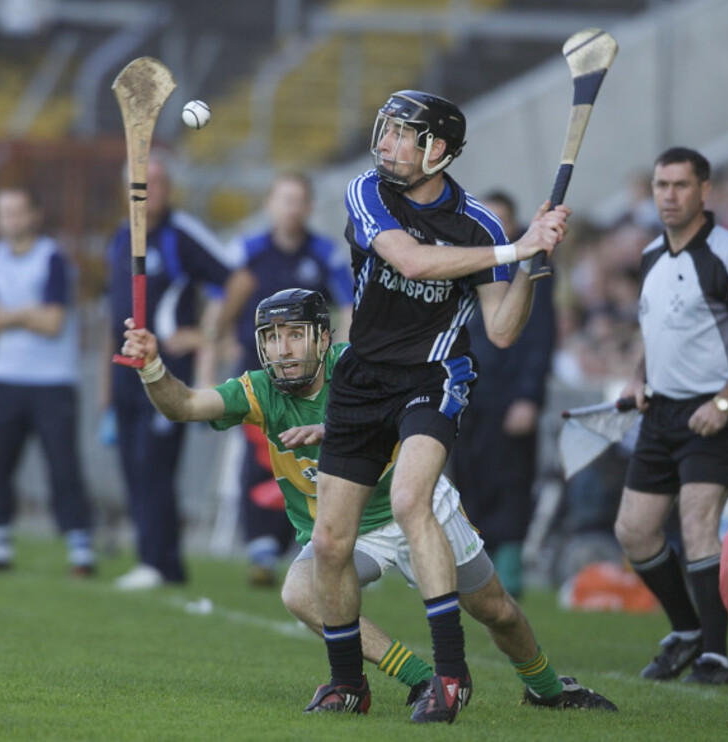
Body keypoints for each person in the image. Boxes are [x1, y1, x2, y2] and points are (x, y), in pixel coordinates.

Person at [118, 287, 616, 716]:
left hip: (413, 504)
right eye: (271, 338)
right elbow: (183, 404)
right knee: (299, 592)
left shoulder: (361, 367)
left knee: (495, 610)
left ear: (321, 336)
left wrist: (336, 430)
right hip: (347, 528)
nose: (283, 349)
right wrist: (153, 366)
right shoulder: (259, 389)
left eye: (294, 334)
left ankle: (548, 688)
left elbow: (414, 416)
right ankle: (420, 678)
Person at [310, 89, 570, 723]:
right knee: (330, 542)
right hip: (362, 378)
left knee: (408, 499)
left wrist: (535, 265)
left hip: (434, 377)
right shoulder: (367, 193)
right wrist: (516, 248)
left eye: (403, 135)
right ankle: (349, 684)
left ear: (440, 152)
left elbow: (502, 329)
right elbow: (411, 260)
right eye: (388, 131)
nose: (387, 144)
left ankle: (449, 677)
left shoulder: (479, 224)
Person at [614, 147, 728, 685]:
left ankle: (717, 656)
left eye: (681, 185)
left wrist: (725, 403)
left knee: (696, 520)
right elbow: (655, 329)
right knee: (634, 531)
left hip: (718, 408)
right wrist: (639, 378)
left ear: (704, 191)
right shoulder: (648, 256)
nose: (669, 195)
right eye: (662, 184)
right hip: (662, 412)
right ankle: (687, 631)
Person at [103, 156, 238, 590]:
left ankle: (156, 563)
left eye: (156, 183)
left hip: (165, 375)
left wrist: (205, 334)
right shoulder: (119, 239)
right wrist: (106, 389)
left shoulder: (181, 235)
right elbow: (114, 316)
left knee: (154, 467)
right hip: (125, 376)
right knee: (132, 468)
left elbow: (238, 281)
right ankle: (165, 564)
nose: (148, 191)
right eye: (139, 184)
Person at [217, 172, 354, 586]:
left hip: (309, 377)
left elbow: (349, 306)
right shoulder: (247, 253)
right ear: (269, 206)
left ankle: (308, 542)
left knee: (309, 455)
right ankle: (261, 544)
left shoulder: (325, 254)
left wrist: (339, 360)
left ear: (308, 207)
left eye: (299, 201)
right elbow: (223, 303)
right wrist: (216, 344)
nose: (291, 208)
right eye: (284, 200)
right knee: (260, 454)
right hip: (257, 373)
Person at [0, 186, 95, 575]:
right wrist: (25, 313)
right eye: (3, 212)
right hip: (4, 377)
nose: (10, 220)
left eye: (17, 211)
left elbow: (51, 322)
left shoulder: (53, 259)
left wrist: (6, 317)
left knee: (62, 465)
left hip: (52, 380)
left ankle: (80, 547)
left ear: (34, 215)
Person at [451, 190, 555, 598]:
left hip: (510, 397)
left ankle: (509, 563)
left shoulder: (532, 270)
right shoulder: (460, 267)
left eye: (501, 219)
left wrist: (529, 397)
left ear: (513, 226)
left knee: (511, 480)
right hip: (465, 394)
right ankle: (478, 566)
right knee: (469, 480)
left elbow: (542, 338)